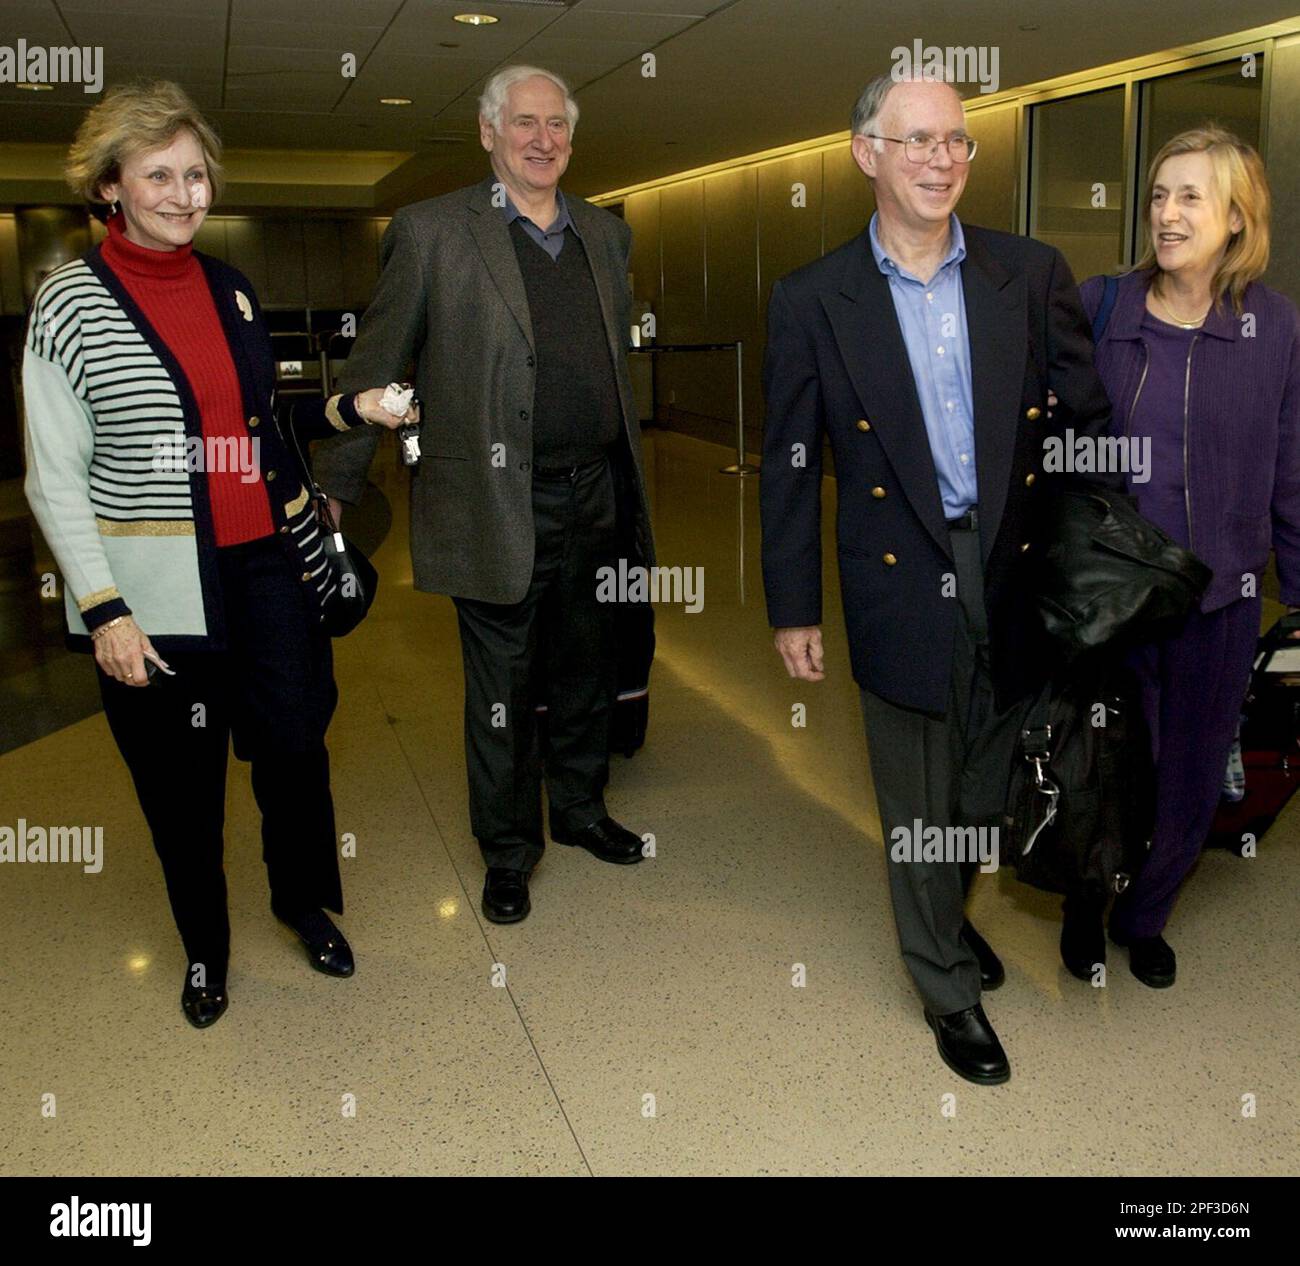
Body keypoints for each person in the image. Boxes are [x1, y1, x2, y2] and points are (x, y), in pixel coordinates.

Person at [22, 80, 413, 1028]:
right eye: (159, 173)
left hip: (266, 570)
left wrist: (346, 411)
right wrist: (105, 608)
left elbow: (259, 421)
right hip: (156, 597)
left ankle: (301, 900)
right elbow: (53, 476)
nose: (185, 192)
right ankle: (206, 951)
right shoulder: (69, 305)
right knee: (180, 786)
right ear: (110, 187)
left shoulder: (231, 290)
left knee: (293, 746)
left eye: (196, 172)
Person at [760, 71, 1120, 1085]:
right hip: (896, 570)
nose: (938, 160)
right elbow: (789, 464)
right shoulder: (811, 298)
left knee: (985, 782)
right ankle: (944, 986)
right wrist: (791, 605)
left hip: (1013, 566)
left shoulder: (1028, 271)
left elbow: (1086, 427)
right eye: (914, 141)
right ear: (864, 153)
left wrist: (1094, 559)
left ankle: (951, 922)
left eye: (955, 142)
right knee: (918, 791)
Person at [313, 66, 655, 924]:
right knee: (503, 683)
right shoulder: (432, 233)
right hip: (496, 501)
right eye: (524, 124)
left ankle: (579, 809)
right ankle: (509, 849)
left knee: (588, 664)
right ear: (488, 133)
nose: (543, 140)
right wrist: (338, 485)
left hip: (599, 494)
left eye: (557, 127)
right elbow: (378, 359)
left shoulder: (606, 238)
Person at [1074, 126, 1300, 988]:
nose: (1166, 215)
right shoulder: (1104, 307)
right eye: (1159, 196)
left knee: (1193, 776)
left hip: (1223, 597)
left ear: (1238, 219)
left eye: (1189, 198)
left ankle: (1147, 914)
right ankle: (1083, 910)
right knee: (1105, 766)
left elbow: (1290, 464)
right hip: (1116, 599)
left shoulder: (1272, 327)